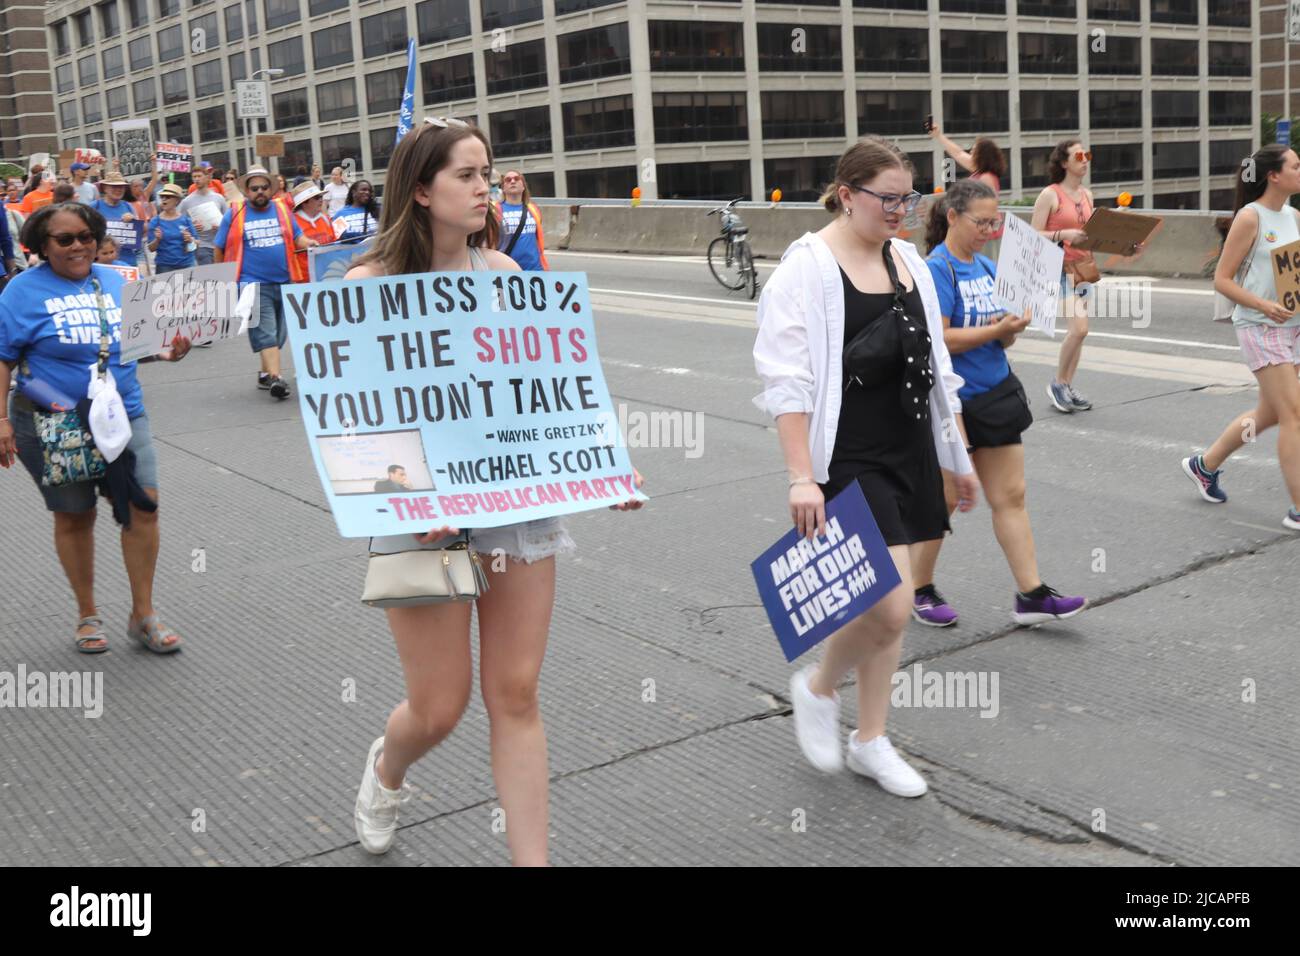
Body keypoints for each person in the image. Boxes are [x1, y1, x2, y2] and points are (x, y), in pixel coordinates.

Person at [345, 117, 643, 866]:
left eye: (488, 172)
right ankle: (388, 771)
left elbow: (546, 395)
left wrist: (601, 464)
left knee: (515, 693)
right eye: (467, 176)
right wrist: (419, 502)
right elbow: (357, 427)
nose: (487, 189)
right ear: (421, 190)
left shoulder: (504, 278)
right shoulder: (368, 286)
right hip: (420, 518)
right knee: (440, 708)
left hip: (512, 511)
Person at [753, 136, 979, 797]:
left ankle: (871, 739)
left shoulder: (908, 258)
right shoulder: (807, 268)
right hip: (851, 455)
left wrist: (956, 456)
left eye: (907, 197)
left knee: (890, 613)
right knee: (892, 604)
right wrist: (801, 475)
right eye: (886, 198)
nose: (900, 210)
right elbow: (785, 382)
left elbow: (939, 370)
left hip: (910, 448)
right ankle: (819, 688)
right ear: (846, 195)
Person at [0, 202, 192, 654]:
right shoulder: (19, 292)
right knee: (75, 514)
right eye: (65, 239)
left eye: (86, 236)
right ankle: (87, 613)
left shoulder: (118, 279)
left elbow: (137, 343)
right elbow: (4, 358)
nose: (79, 246)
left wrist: (167, 353)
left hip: (122, 413)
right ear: (42, 246)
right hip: (52, 419)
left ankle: (143, 614)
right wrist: (1, 420)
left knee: (144, 507)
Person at [907, 179, 1087, 627]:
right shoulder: (937, 270)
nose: (989, 230)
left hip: (995, 395)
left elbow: (1001, 341)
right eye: (981, 222)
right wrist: (993, 329)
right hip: (953, 405)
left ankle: (1031, 594)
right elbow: (939, 340)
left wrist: (1012, 326)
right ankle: (918, 588)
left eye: (994, 222)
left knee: (1012, 496)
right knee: (947, 499)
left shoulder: (988, 269)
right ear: (952, 217)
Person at [1182, 144, 1300, 530]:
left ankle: (1205, 465)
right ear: (1274, 175)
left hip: (1291, 326)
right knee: (1294, 415)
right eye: (1296, 166)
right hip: (1259, 325)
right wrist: (1264, 306)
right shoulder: (1250, 218)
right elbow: (1222, 280)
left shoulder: (1294, 216)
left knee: (1268, 414)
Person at [213, 166, 318, 400]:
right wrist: (221, 279)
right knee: (267, 331)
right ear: (246, 191)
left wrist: (309, 242)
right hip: (252, 285)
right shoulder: (234, 213)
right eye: (254, 188)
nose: (259, 192)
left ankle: (264, 373)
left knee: (279, 334)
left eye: (263, 187)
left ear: (270, 189)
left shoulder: (282, 209)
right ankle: (276, 379)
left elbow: (297, 235)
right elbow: (218, 247)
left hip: (285, 281)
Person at [1032, 139, 1096, 414]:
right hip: (1059, 270)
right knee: (1080, 328)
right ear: (1063, 162)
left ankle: (1067, 385)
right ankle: (1058, 383)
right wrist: (1062, 235)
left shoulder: (1088, 195)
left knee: (1077, 333)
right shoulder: (1050, 195)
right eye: (1078, 155)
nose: (1085, 159)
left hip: (1083, 269)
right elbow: (1033, 235)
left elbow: (1090, 233)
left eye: (1087, 155)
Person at [495, 170, 548, 271]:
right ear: (503, 188)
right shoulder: (496, 210)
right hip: (507, 271)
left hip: (535, 270)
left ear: (523, 186)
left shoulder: (533, 209)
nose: (513, 181)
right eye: (508, 180)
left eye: (517, 178)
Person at [91, 171, 145, 269]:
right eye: (114, 186)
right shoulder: (94, 207)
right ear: (105, 188)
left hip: (128, 262)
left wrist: (134, 222)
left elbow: (143, 232)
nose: (118, 189)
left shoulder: (128, 206)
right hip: (103, 264)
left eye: (121, 186)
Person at [178, 166, 229, 266]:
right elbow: (180, 224)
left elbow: (228, 220)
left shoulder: (218, 198)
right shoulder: (187, 201)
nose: (196, 179)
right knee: (209, 276)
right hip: (201, 245)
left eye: (199, 176)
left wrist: (221, 227)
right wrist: (191, 227)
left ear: (207, 177)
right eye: (194, 177)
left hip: (220, 243)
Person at [147, 183, 198, 273]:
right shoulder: (155, 221)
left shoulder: (186, 220)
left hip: (187, 265)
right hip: (164, 266)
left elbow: (197, 244)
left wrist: (190, 240)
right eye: (162, 197)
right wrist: (157, 240)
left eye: (168, 197)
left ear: (177, 201)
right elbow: (151, 249)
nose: (164, 199)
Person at [289, 181, 336, 277]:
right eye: (316, 197)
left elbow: (334, 244)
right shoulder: (292, 222)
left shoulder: (326, 219)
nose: (321, 200)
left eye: (321, 196)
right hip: (304, 280)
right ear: (304, 202)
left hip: (328, 275)